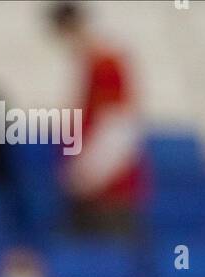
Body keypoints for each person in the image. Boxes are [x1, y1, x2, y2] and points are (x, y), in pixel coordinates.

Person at [50, 1, 146, 237]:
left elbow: (120, 126)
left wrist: (86, 173)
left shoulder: (105, 63)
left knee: (112, 257)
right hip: (86, 186)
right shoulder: (86, 63)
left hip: (108, 188)